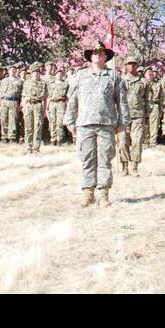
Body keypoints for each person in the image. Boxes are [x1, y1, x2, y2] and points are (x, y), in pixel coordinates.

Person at [64, 41, 129, 207]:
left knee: (105, 159)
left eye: (101, 53)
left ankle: (103, 194)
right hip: (85, 123)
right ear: (90, 57)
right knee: (87, 158)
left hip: (106, 124)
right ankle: (88, 192)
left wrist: (123, 122)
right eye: (94, 53)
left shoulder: (114, 76)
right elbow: (73, 100)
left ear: (106, 56)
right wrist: (70, 121)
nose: (98, 56)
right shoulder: (80, 76)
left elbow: (122, 102)